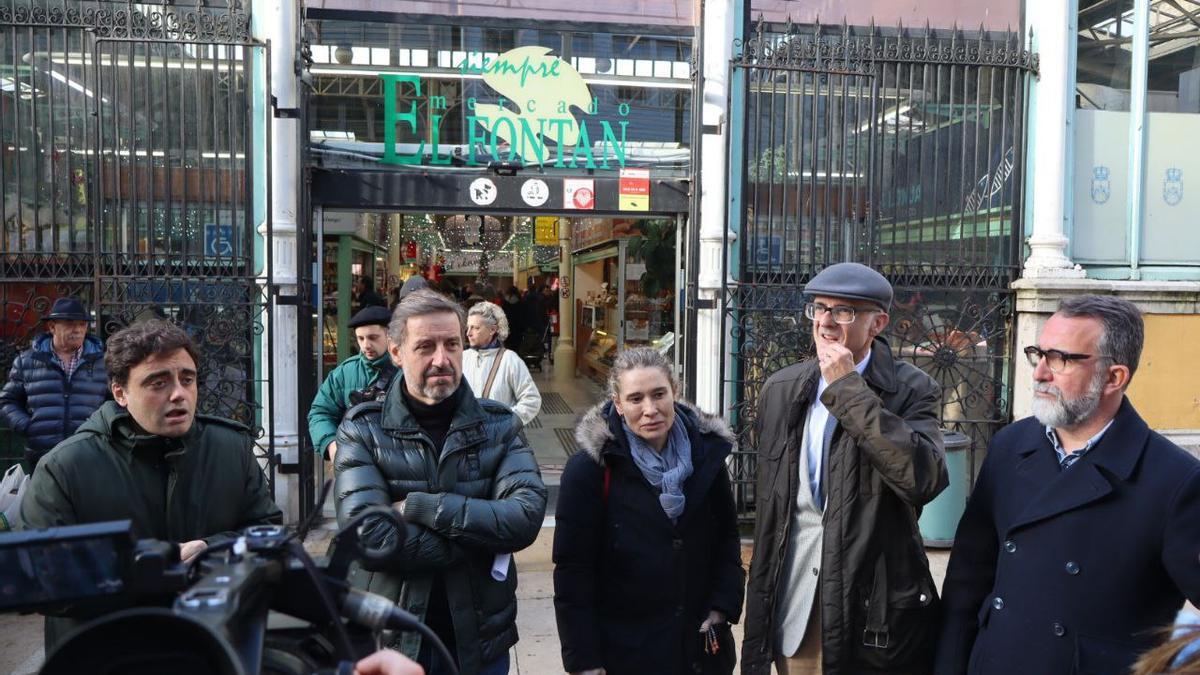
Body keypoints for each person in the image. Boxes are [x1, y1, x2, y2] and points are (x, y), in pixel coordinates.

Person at [934, 295, 1200, 675]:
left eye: (1060, 359)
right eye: (1038, 354)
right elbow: (967, 583)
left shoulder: (1175, 481)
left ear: (1114, 377)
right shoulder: (1010, 447)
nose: (1040, 372)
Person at [20, 319, 282, 651]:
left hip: (212, 650)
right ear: (120, 392)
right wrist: (150, 572)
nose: (179, 394)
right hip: (109, 658)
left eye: (187, 379)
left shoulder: (231, 448)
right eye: (158, 383)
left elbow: (267, 532)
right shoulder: (64, 468)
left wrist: (213, 551)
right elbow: (44, 579)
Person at [741, 262, 948, 675]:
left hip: (869, 613)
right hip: (795, 605)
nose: (826, 323)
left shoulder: (911, 390)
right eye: (819, 308)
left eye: (844, 312)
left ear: (878, 323)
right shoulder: (780, 389)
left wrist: (847, 389)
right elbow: (774, 509)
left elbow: (922, 479)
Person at [334, 289, 547, 675]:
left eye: (451, 344)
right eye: (425, 346)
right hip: (393, 643)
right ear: (396, 353)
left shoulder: (498, 424)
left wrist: (421, 507)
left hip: (481, 640)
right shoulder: (363, 430)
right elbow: (370, 536)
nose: (441, 359)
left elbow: (525, 517)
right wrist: (481, 536)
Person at [553, 348, 745, 675]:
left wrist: (721, 607)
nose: (650, 410)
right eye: (635, 398)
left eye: (659, 394)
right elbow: (573, 571)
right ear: (618, 404)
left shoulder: (706, 454)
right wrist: (584, 660)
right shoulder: (591, 468)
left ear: (676, 392)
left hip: (699, 651)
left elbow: (727, 536)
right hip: (627, 652)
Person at [0, 297, 110, 468]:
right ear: (52, 327)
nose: (78, 330)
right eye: (70, 324)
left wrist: (103, 431)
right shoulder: (27, 361)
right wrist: (27, 426)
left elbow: (118, 401)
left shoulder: (102, 362)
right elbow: (7, 401)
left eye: (82, 324)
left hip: (90, 453)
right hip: (42, 455)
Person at [308, 306, 396, 461]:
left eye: (373, 337)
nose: (365, 345)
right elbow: (320, 412)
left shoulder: (408, 369)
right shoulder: (344, 372)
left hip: (398, 461)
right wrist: (331, 444)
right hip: (354, 460)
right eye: (360, 338)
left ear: (390, 335)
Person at [462, 302, 541, 426]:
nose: (468, 333)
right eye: (468, 327)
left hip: (500, 442)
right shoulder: (463, 358)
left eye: (475, 328)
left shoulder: (510, 360)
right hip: (467, 438)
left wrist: (506, 425)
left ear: (492, 330)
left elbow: (531, 400)